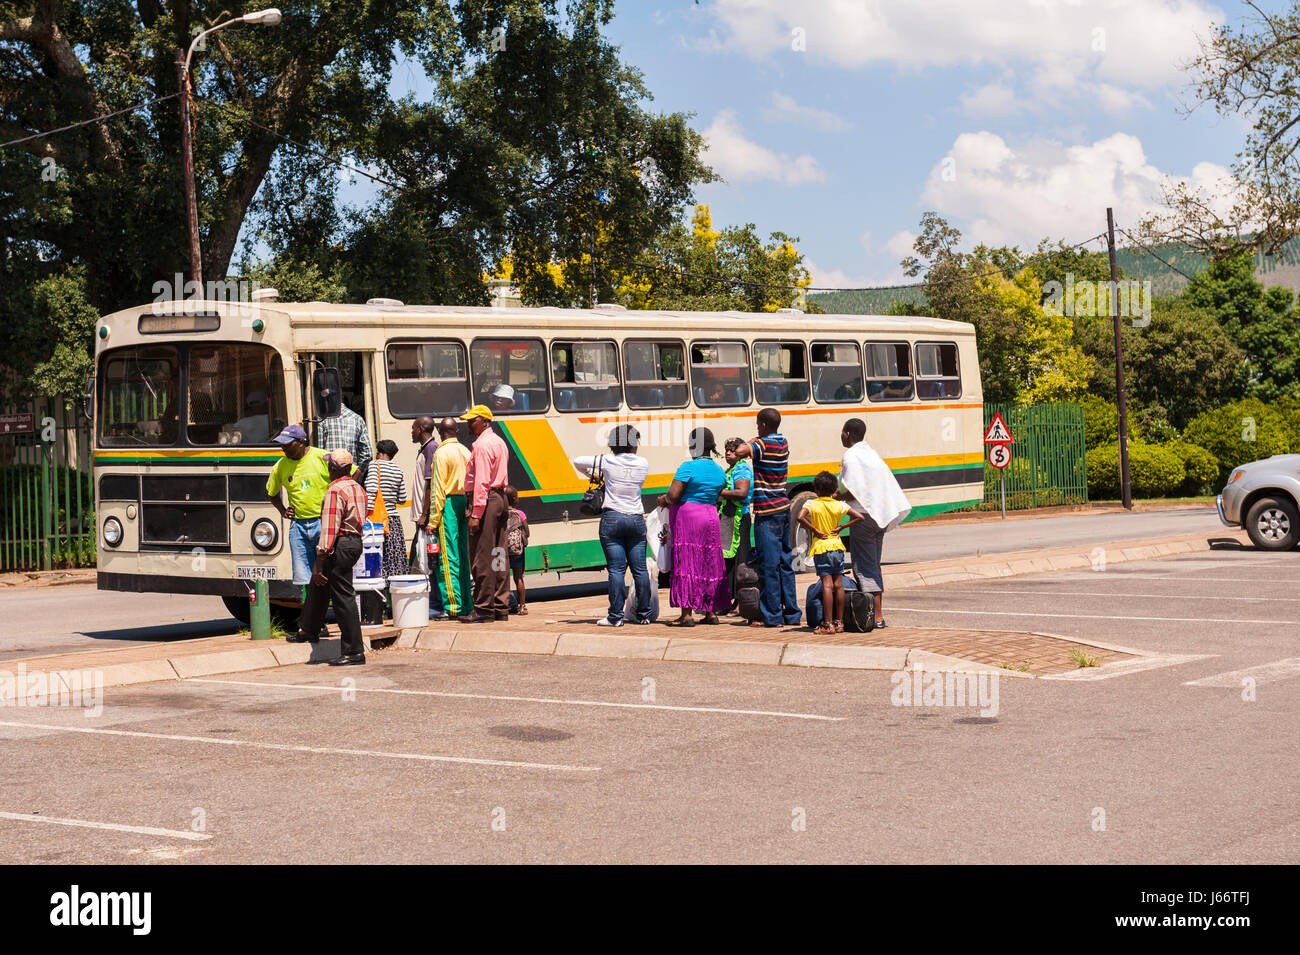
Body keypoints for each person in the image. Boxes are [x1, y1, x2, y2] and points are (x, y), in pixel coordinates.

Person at [291, 450, 368, 666]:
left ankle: (354, 651)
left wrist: (319, 561)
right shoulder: (357, 487)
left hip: (339, 545)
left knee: (342, 596)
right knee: (319, 586)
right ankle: (308, 629)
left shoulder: (334, 491)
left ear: (332, 469)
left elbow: (329, 530)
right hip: (354, 543)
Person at [573, 424, 652, 627]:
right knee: (640, 570)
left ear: (613, 443)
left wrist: (596, 475)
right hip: (636, 519)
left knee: (616, 570)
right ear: (634, 443)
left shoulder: (607, 461)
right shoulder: (643, 463)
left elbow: (578, 461)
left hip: (613, 518)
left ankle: (615, 617)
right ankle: (643, 615)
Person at [837, 417, 911, 629]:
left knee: (864, 566)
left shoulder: (851, 455)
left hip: (863, 517)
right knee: (873, 564)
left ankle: (875, 616)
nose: (841, 436)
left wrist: (838, 497)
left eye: (842, 432)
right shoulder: (871, 453)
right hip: (879, 517)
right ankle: (874, 613)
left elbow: (855, 489)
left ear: (848, 433)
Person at [731, 407, 800, 627]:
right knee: (785, 564)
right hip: (783, 508)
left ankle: (772, 615)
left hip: (767, 512)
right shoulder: (783, 442)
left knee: (768, 566)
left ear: (762, 425)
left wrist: (754, 439)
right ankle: (791, 613)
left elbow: (741, 450)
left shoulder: (761, 444)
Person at [657, 427, 729, 626]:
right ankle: (711, 613)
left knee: (687, 562)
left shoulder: (687, 467)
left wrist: (663, 499)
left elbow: (674, 495)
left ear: (694, 446)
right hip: (710, 517)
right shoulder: (719, 470)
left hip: (689, 518)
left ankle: (687, 615)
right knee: (709, 562)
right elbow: (718, 493)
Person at [266, 424, 332, 595]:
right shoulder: (280, 467)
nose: (283, 448)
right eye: (282, 444)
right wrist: (282, 511)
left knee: (327, 573)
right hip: (298, 528)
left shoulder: (322, 457)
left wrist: (336, 504)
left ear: (301, 442)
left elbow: (351, 471)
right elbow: (272, 493)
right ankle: (313, 618)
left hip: (323, 523)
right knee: (306, 578)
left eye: (288, 444)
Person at [797, 471, 865, 634]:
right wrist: (841, 527)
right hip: (837, 547)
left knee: (827, 585)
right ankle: (839, 623)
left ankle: (827, 624)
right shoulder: (839, 505)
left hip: (822, 547)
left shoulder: (811, 504)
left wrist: (814, 529)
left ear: (816, 490)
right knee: (838, 584)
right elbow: (859, 517)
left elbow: (800, 517)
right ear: (834, 489)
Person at [460, 404, 511, 623]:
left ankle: (482, 608)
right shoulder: (499, 442)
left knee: (482, 555)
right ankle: (501, 606)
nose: (469, 424)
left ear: (485, 422)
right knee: (499, 553)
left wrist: (475, 514)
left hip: (486, 501)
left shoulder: (481, 446)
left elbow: (481, 482)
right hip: (500, 498)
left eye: (473, 420)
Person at [426, 417, 472, 620]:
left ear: (440, 431)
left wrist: (432, 521)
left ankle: (452, 606)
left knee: (447, 558)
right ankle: (466, 604)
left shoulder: (441, 453)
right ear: (457, 431)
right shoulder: (465, 451)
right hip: (464, 503)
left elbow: (437, 490)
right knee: (463, 556)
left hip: (449, 506)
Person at [364, 439, 409, 582]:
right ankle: (394, 594)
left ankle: (379, 597)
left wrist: (365, 516)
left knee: (377, 560)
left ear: (382, 453)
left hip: (378, 522)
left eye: (378, 452)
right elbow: (402, 498)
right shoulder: (398, 469)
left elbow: (371, 491)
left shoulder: (374, 466)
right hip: (394, 521)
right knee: (395, 560)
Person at [718, 437, 753, 612]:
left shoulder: (742, 469)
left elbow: (742, 492)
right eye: (726, 450)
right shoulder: (730, 469)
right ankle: (732, 599)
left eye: (732, 450)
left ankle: (741, 599)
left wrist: (720, 492)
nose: (728, 453)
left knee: (740, 558)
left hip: (739, 519)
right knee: (729, 560)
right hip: (728, 518)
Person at [409, 415, 440, 586]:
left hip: (425, 516)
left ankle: (434, 599)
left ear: (421, 429)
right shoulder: (424, 449)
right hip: (422, 515)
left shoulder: (431, 448)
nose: (411, 432)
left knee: (430, 558)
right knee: (422, 558)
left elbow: (430, 484)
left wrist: (424, 514)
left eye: (413, 428)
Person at [316, 401, 373, 479]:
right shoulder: (357, 419)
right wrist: (357, 475)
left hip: (329, 476)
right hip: (350, 474)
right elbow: (367, 453)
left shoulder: (322, 420)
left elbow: (320, 450)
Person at [505, 486, 529, 615]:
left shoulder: (501, 513)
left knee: (503, 579)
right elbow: (527, 532)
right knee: (518, 578)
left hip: (502, 551)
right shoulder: (520, 514)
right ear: (515, 499)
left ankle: (505, 604)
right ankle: (522, 606)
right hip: (517, 551)